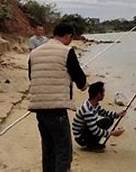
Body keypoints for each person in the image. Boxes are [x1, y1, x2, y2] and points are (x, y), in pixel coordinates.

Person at [28, 23, 88, 172]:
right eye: (71, 38)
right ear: (67, 36)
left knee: (48, 149)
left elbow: (31, 76)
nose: (70, 41)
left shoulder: (34, 53)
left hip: (39, 109)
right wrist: (85, 86)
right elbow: (80, 80)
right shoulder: (67, 51)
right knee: (63, 150)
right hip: (57, 110)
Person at [72, 81, 125, 151]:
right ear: (98, 94)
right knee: (97, 130)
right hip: (81, 138)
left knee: (109, 119)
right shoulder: (87, 110)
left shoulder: (94, 104)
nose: (104, 95)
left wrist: (117, 114)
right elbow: (95, 131)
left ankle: (93, 143)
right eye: (103, 92)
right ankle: (90, 145)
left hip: (85, 131)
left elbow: (105, 113)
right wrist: (112, 133)